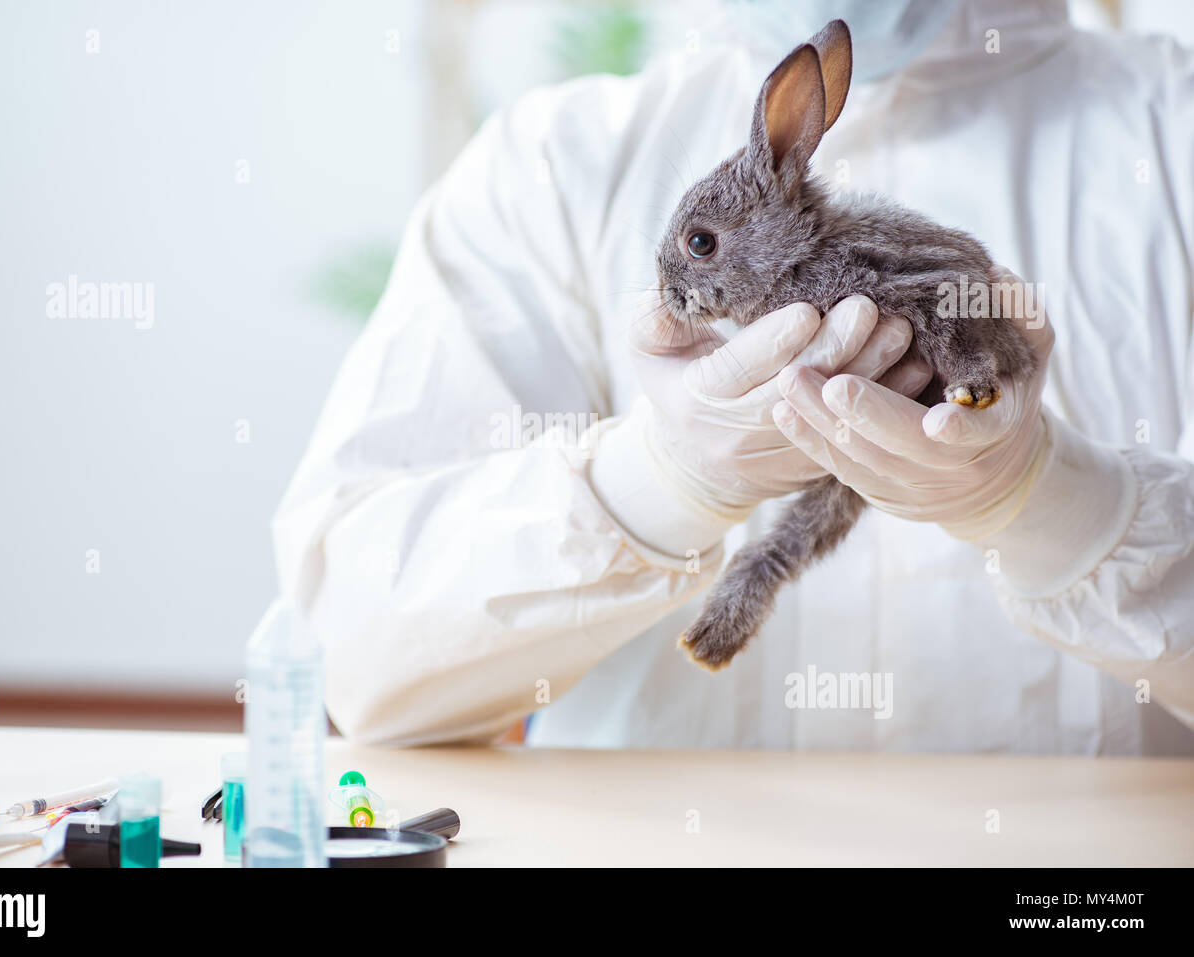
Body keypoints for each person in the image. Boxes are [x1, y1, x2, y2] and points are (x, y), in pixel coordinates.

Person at [272, 0, 1194, 752]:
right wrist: (655, 482)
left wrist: (1057, 504)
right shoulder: (555, 162)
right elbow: (360, 667)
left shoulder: (1170, 125)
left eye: (702, 248)